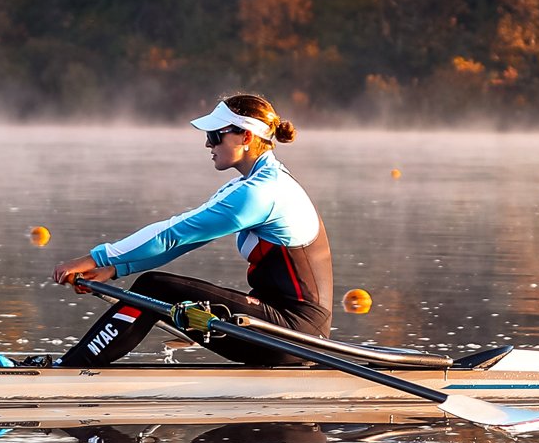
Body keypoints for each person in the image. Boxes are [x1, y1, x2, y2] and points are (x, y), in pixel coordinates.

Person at [51, 93, 332, 367]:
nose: (208, 144)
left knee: (154, 287)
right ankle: (76, 364)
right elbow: (183, 242)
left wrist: (94, 258)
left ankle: (73, 367)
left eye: (215, 136)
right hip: (281, 326)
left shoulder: (262, 192)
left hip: (296, 333)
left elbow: (171, 235)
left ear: (246, 137)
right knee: (156, 289)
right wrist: (116, 269)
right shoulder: (252, 185)